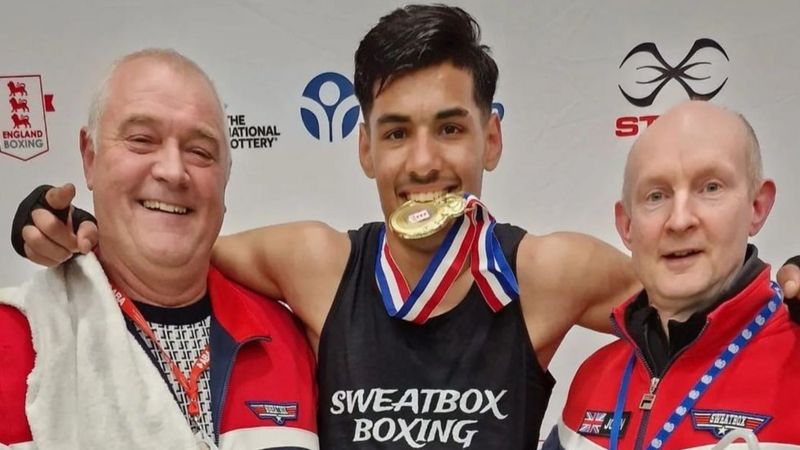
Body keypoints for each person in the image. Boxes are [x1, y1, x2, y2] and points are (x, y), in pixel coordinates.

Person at [11, 6, 800, 450]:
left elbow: (694, 285)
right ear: (363, 147)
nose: (424, 162)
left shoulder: (547, 272)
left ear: (492, 138)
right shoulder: (317, 263)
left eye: (451, 129)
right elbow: (169, 241)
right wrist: (67, 227)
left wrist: (790, 284)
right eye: (396, 132)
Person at [0, 49, 318, 450]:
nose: (172, 170)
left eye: (200, 151)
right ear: (90, 156)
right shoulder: (15, 336)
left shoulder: (291, 338)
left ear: (226, 177)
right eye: (141, 140)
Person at [544, 101, 800, 449]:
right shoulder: (593, 378)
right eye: (656, 196)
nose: (680, 220)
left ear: (757, 206)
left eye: (710, 187)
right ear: (627, 225)